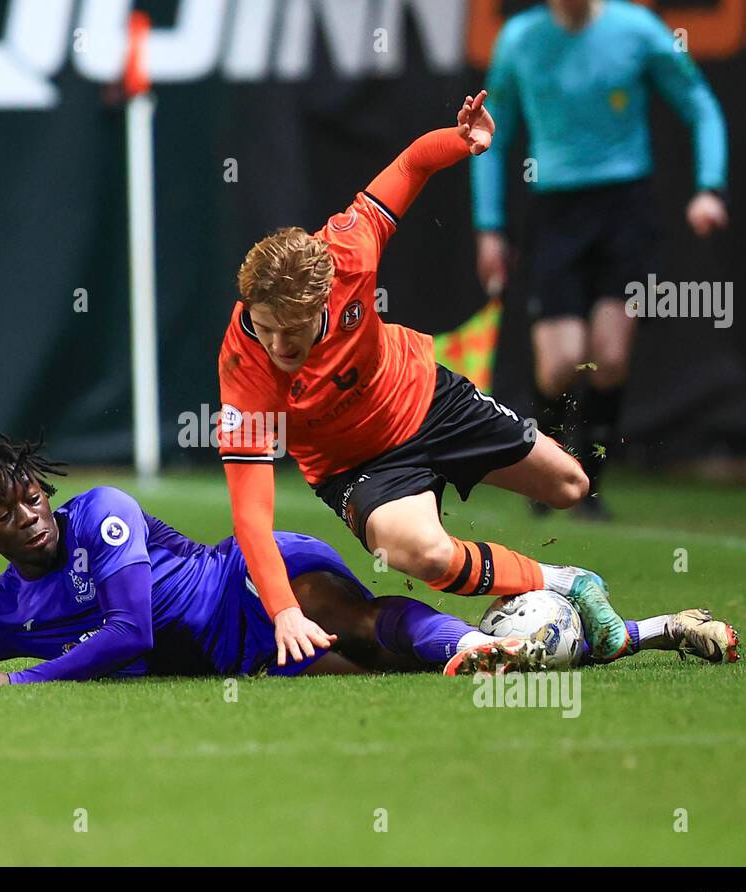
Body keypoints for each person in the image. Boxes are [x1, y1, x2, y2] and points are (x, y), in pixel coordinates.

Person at [0, 434, 738, 689]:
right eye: (1, 510)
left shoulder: (103, 512)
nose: (25, 511)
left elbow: (135, 629)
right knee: (381, 663)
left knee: (374, 621)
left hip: (254, 579)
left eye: (26, 491)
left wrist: (16, 688)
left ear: (44, 489)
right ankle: (650, 628)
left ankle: (482, 635)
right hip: (241, 656)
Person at [217, 91, 639, 671]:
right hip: (357, 464)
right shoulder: (245, 365)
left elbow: (412, 165)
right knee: (420, 552)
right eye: (264, 328)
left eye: (292, 332)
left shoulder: (349, 247)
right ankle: (565, 581)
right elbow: (250, 515)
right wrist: (285, 609)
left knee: (571, 485)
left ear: (323, 298)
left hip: (423, 396)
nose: (278, 347)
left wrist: (463, 142)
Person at [472, 0, 728, 519]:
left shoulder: (637, 30)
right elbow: (490, 140)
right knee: (562, 363)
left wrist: (709, 186)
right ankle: (548, 471)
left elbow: (698, 101)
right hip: (556, 212)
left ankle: (589, 485)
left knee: (609, 358)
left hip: (624, 209)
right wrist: (490, 226)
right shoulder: (520, 39)